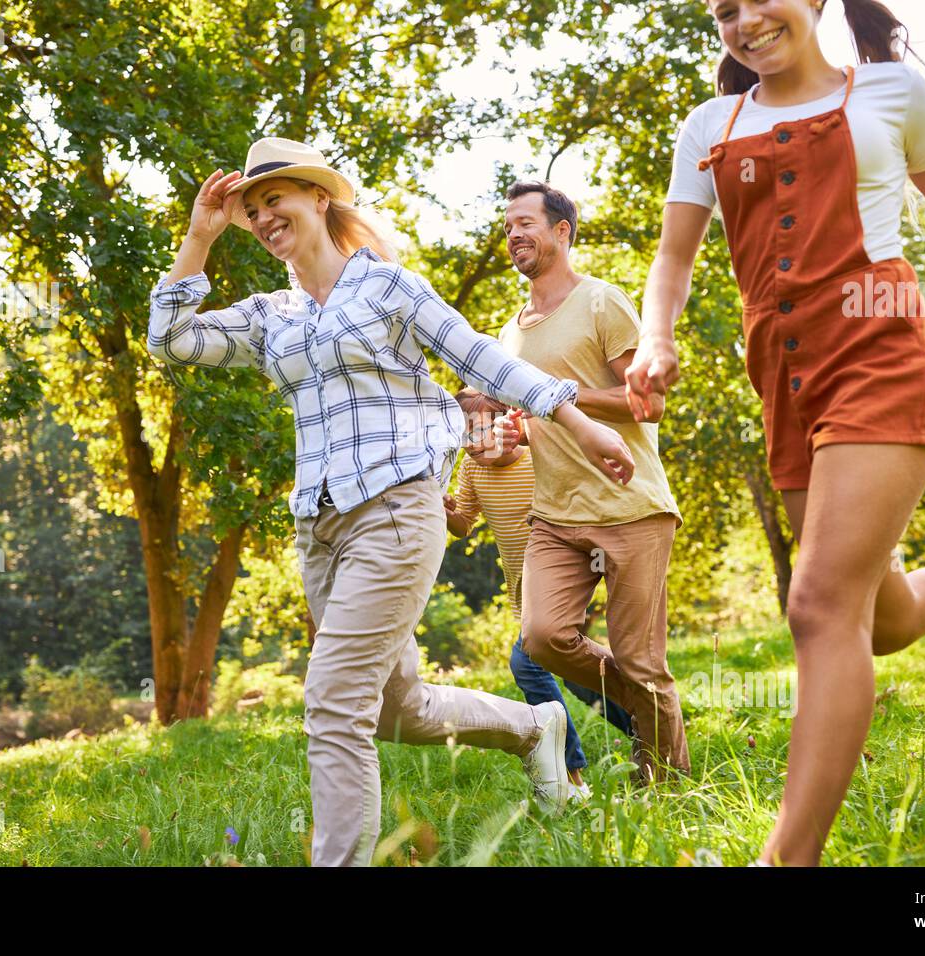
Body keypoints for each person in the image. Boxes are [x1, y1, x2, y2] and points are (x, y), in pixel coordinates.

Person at [625, 0, 925, 865]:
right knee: (874, 620)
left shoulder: (890, 94)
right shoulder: (709, 124)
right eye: (723, 10)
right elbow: (675, 258)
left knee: (816, 607)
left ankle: (786, 858)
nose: (742, 20)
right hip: (784, 376)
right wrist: (656, 335)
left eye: (756, 0)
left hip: (880, 351)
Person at [147, 137, 638, 866]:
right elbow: (171, 339)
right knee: (392, 709)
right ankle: (538, 728)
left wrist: (577, 418)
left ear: (318, 197)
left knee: (334, 704)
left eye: (273, 198)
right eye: (251, 209)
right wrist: (199, 237)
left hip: (397, 512)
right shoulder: (270, 315)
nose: (263, 215)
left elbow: (482, 357)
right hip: (320, 528)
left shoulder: (388, 288)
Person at [492, 181, 690, 786]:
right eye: (508, 228)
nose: (515, 235)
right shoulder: (510, 335)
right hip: (554, 513)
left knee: (639, 658)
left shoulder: (602, 302)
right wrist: (512, 434)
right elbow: (541, 424)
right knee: (544, 638)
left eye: (526, 222)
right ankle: (648, 706)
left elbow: (649, 404)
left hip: (630, 506)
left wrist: (558, 395)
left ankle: (667, 783)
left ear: (562, 231)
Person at [444, 387, 635, 797]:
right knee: (577, 674)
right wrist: (444, 509)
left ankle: (569, 775)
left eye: (479, 433)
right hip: (521, 587)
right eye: (462, 437)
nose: (471, 445)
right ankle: (644, 724)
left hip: (560, 578)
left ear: (508, 425)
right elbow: (463, 523)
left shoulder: (537, 458)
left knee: (527, 664)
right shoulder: (473, 471)